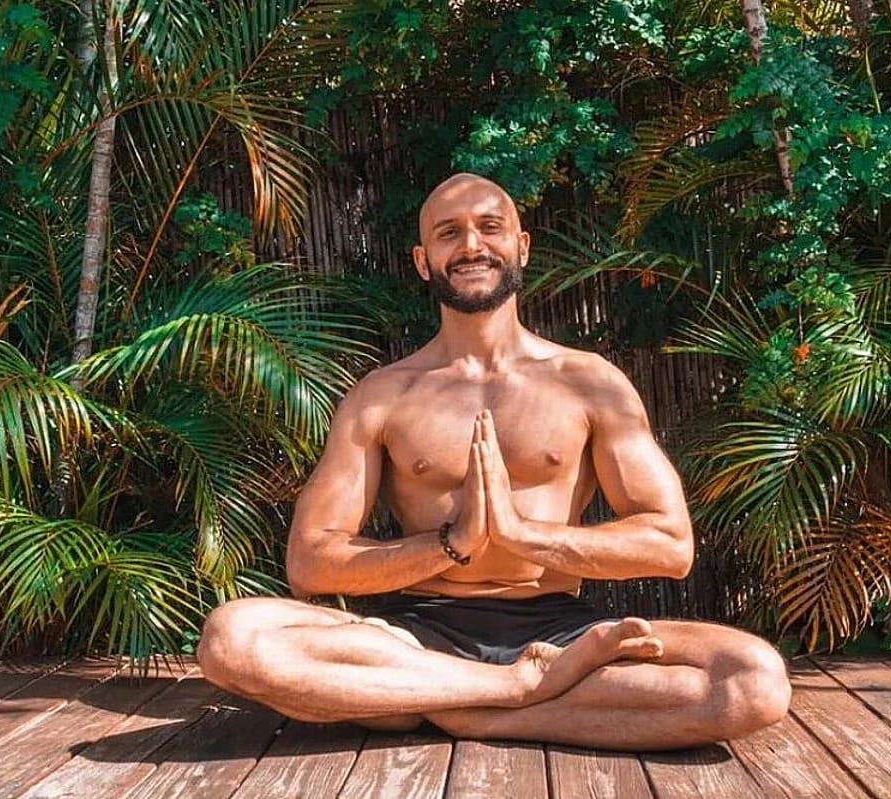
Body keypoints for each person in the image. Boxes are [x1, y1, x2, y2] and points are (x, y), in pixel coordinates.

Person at [197, 173, 791, 751]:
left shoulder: (588, 382)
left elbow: (670, 545)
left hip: (559, 630)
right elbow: (311, 562)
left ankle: (463, 712)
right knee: (234, 638)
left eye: (489, 227)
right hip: (411, 638)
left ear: (520, 247)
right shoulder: (382, 396)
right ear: (423, 260)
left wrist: (519, 534)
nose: (471, 245)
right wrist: (451, 544)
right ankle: (506, 691)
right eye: (448, 233)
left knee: (751, 683)